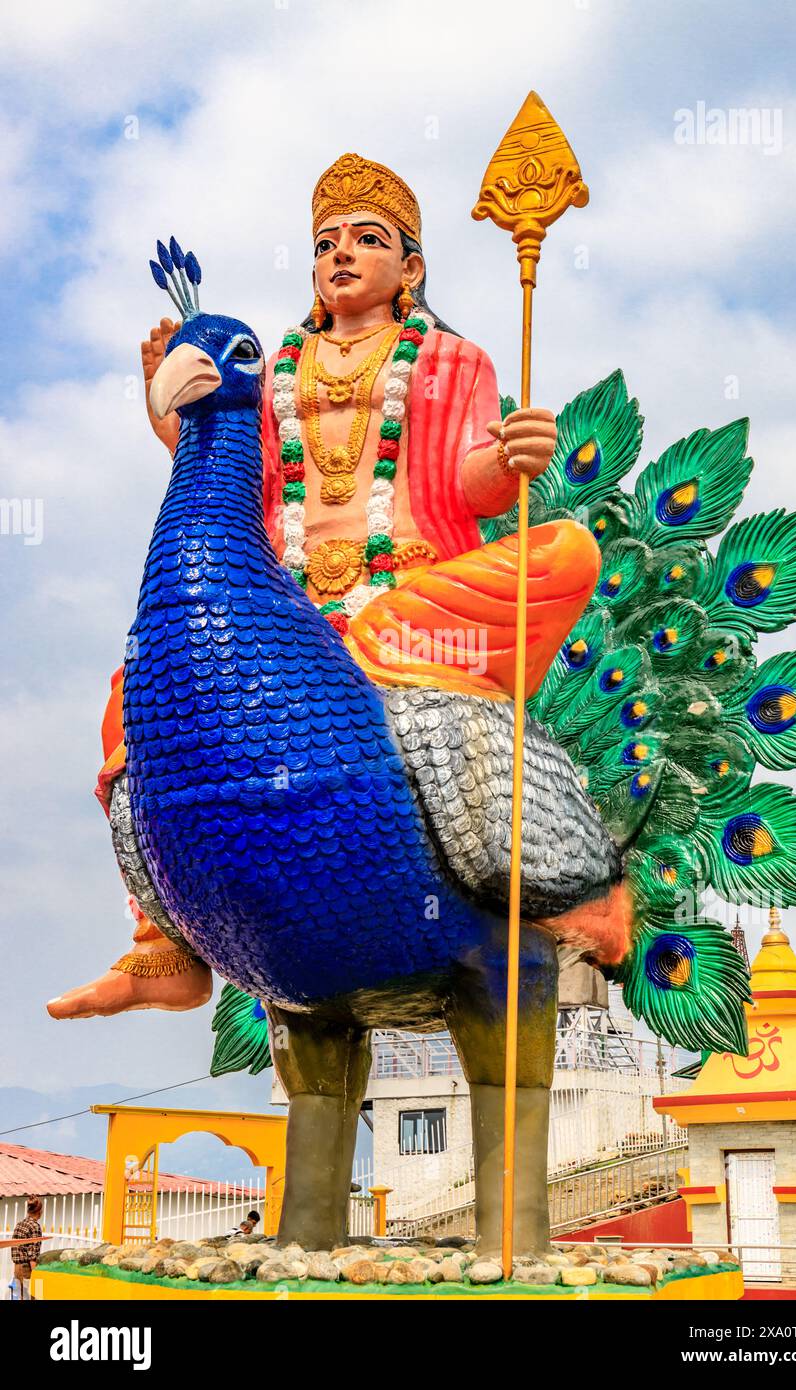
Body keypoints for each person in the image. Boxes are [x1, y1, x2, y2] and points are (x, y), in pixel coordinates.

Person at [48, 152, 583, 1019]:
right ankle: (163, 944)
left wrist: (512, 457)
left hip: (412, 603)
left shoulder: (452, 360)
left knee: (567, 553)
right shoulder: (275, 371)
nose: (341, 254)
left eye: (366, 240)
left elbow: (472, 480)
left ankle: (514, 855)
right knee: (135, 698)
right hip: (284, 616)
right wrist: (173, 410)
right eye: (326, 243)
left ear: (411, 269)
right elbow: (235, 477)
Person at [11, 1197, 43, 1300]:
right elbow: (32, 1255)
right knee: (35, 1296)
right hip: (28, 1269)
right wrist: (37, 1276)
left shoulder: (19, 1224)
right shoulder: (35, 1226)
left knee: (20, 1297)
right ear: (39, 1211)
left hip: (17, 1268)